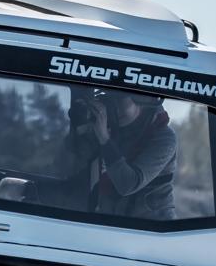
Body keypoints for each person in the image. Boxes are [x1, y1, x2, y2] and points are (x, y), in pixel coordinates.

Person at [64, 88, 177, 220]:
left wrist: (104, 139)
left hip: (153, 225)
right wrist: (83, 126)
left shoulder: (164, 138)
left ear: (141, 101)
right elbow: (71, 159)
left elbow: (128, 184)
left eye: (119, 99)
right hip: (115, 220)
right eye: (109, 99)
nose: (113, 107)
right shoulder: (111, 127)